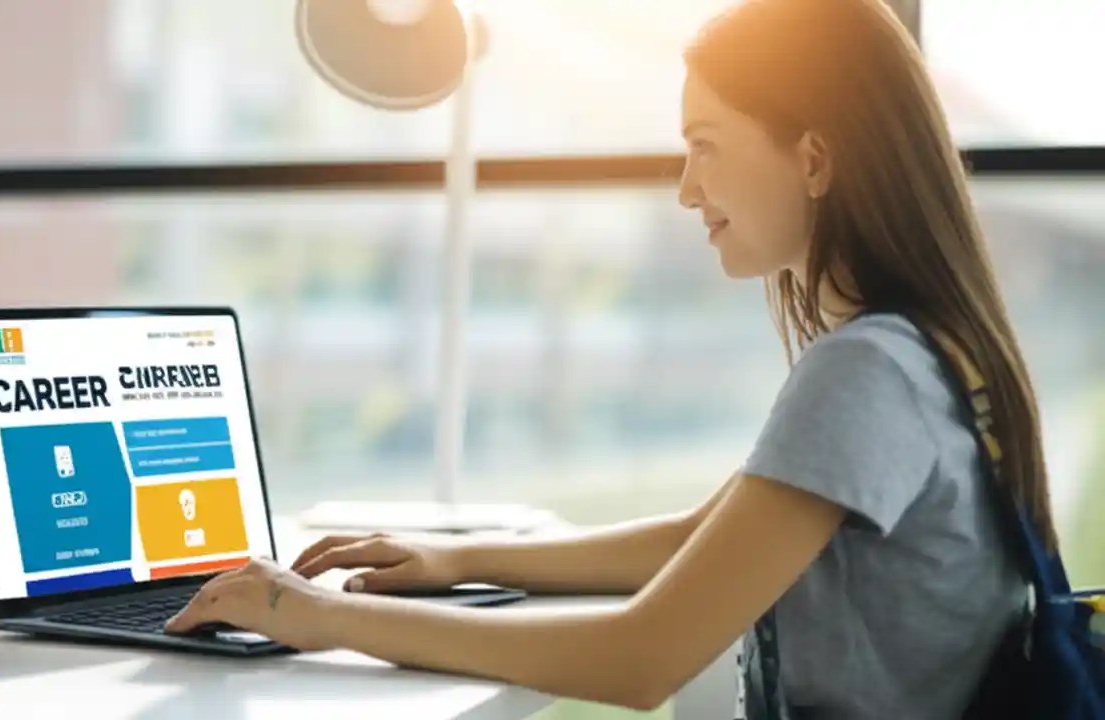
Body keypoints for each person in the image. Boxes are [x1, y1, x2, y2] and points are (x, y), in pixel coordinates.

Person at [166, 0, 1055, 716]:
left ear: (814, 158)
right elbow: (695, 542)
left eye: (705, 145)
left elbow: (640, 661)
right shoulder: (925, 353)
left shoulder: (867, 374)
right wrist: (459, 560)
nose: (686, 188)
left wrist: (322, 616)